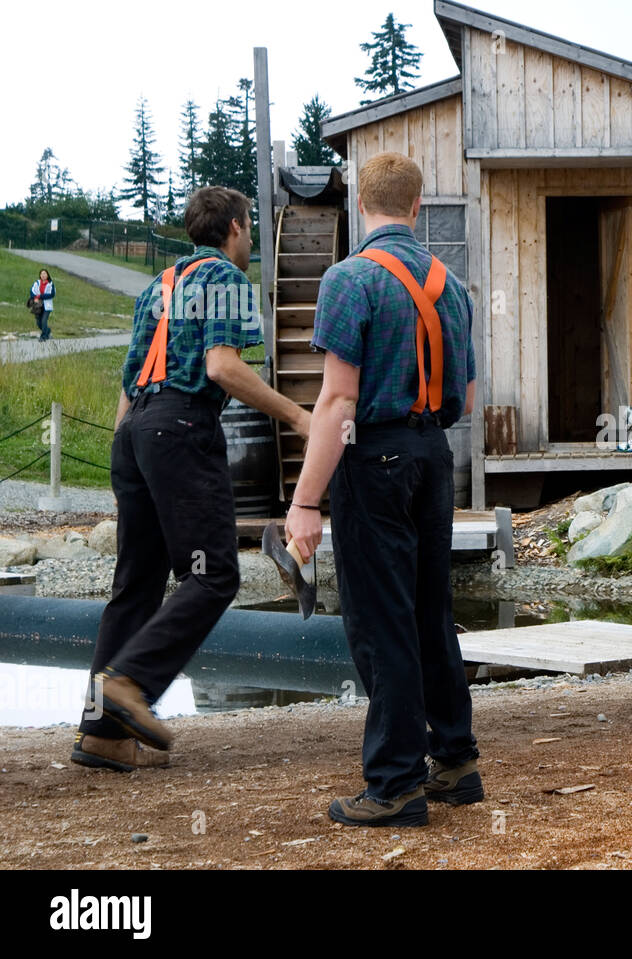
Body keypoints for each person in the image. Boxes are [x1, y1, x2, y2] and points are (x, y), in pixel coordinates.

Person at [71, 186, 312, 773]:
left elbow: (131, 382)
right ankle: (129, 684)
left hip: (136, 436)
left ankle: (102, 733)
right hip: (180, 430)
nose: (250, 241)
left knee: (136, 584)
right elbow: (222, 367)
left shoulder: (160, 285)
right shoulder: (227, 280)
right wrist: (298, 416)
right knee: (212, 576)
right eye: (250, 228)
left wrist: (124, 457)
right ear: (233, 227)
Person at [286, 152, 480, 828]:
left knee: (381, 618)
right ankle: (454, 759)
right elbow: (470, 395)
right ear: (417, 207)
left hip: (375, 457)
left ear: (359, 205)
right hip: (434, 453)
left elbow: (338, 401)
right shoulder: (451, 287)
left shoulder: (350, 279)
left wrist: (306, 500)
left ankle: (396, 783)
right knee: (431, 606)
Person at [29, 269, 54, 340]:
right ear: (40, 275)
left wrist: (40, 296)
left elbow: (51, 294)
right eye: (42, 274)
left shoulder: (50, 284)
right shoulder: (37, 283)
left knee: (44, 321)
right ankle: (47, 331)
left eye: (45, 274)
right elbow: (32, 291)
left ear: (47, 275)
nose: (43, 275)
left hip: (47, 306)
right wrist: (35, 297)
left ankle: (43, 337)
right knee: (38, 322)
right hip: (38, 305)